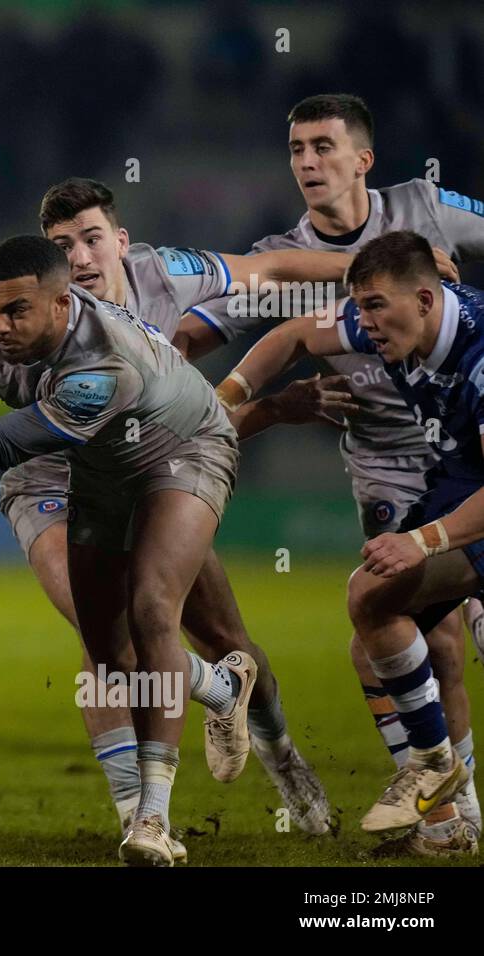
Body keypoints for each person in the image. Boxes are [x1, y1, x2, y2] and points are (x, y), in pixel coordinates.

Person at [0, 235, 332, 866]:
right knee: (107, 650)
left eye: (16, 311)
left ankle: (154, 818)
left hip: (183, 451)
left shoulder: (103, 364)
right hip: (90, 467)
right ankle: (218, 687)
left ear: (61, 303)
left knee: (154, 609)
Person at [183, 93, 484, 855]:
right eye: (296, 149)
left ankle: (444, 792)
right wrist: (220, 398)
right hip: (394, 467)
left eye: (323, 146)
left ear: (363, 159)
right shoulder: (287, 258)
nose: (308, 162)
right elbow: (256, 329)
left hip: (464, 452)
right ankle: (449, 810)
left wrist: (431, 541)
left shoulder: (426, 208)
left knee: (416, 620)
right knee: (406, 630)